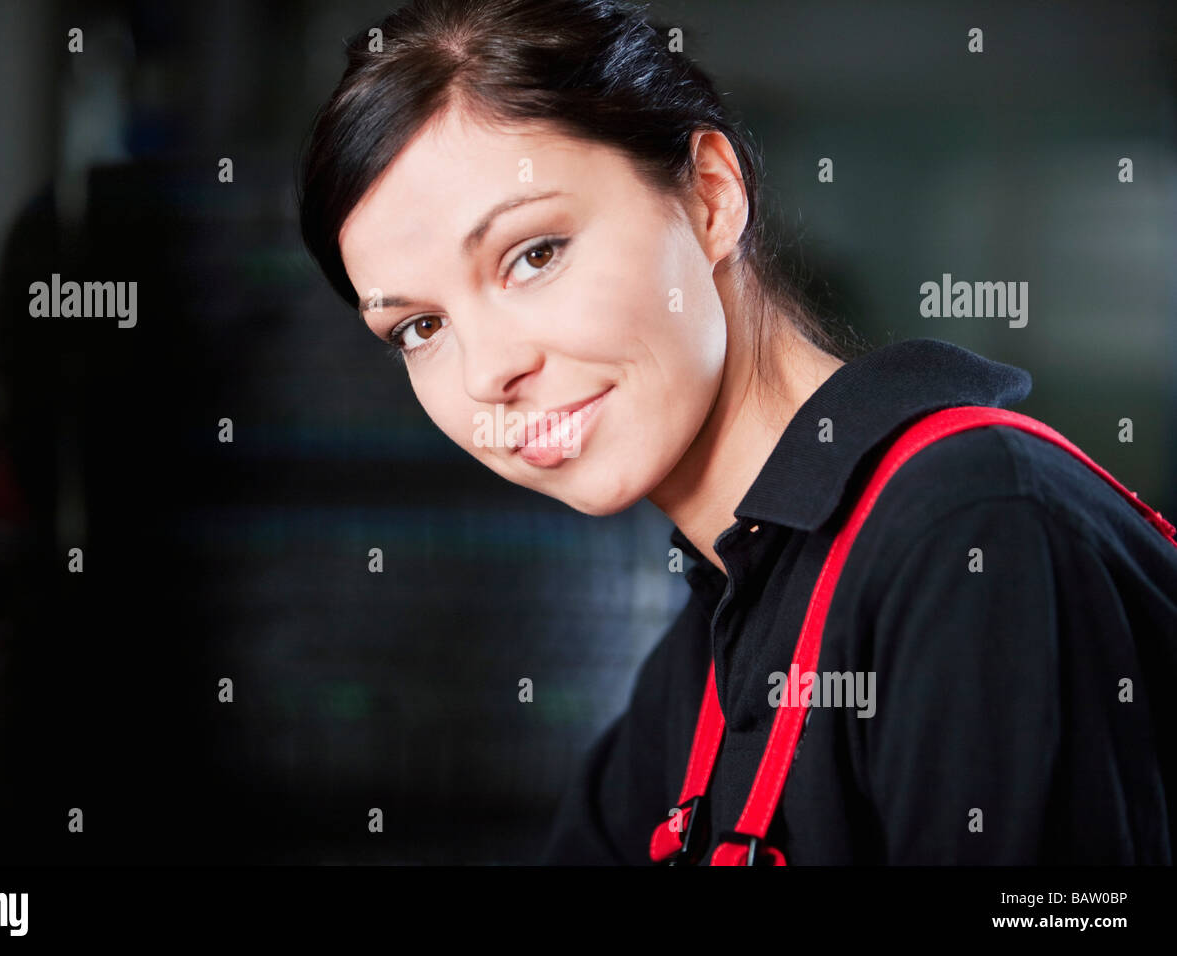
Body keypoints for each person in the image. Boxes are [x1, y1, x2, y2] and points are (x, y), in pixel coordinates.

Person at [296, 0, 1177, 864]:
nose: (486, 373)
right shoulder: (707, 657)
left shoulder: (974, 532)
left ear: (712, 196)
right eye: (419, 328)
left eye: (534, 253)